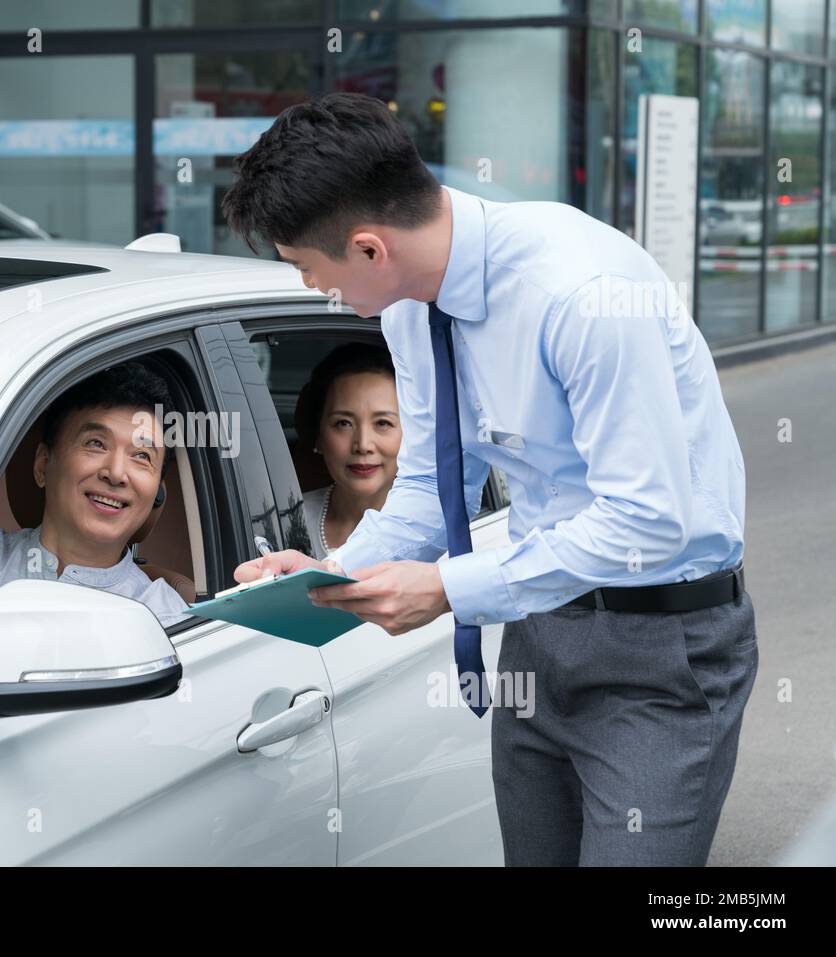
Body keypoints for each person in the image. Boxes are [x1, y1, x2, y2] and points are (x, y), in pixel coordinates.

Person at [222, 91, 756, 867]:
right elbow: (436, 480)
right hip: (539, 629)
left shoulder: (583, 295)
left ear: (370, 248)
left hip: (661, 651)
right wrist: (334, 574)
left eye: (306, 267)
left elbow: (647, 521)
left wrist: (448, 587)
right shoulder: (410, 304)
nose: (310, 288)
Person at [0, 361, 191, 628]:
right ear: (43, 464)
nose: (115, 473)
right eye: (96, 443)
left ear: (156, 493)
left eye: (142, 456)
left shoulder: (166, 620)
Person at [294, 343, 401, 561]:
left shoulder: (433, 530)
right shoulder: (288, 519)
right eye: (343, 423)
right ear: (319, 434)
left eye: (383, 423)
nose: (363, 444)